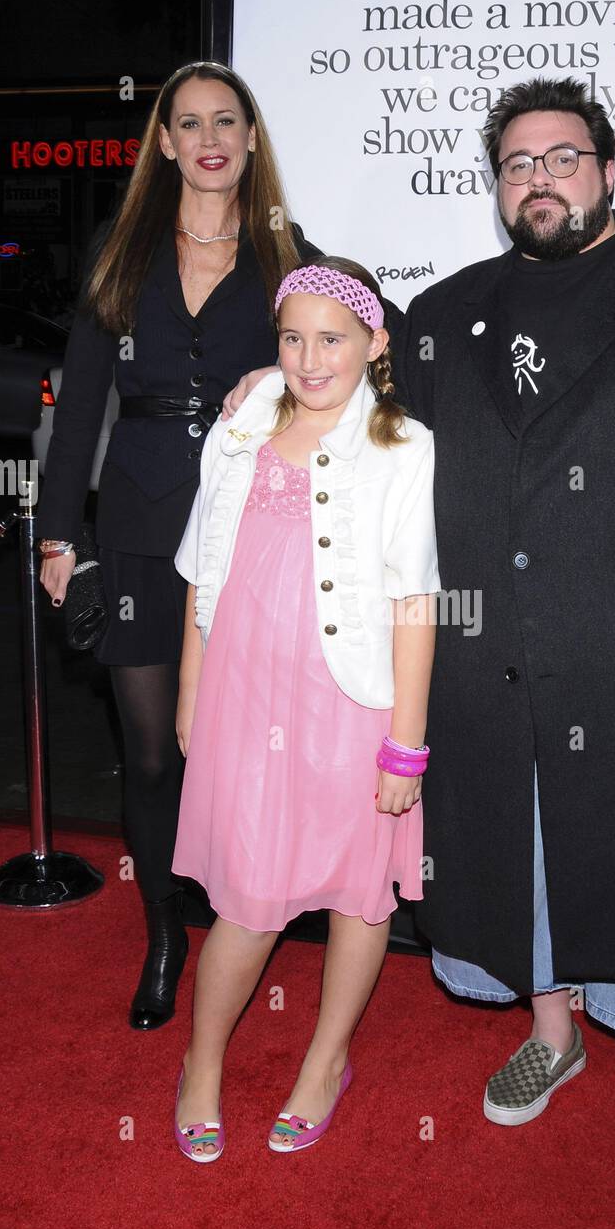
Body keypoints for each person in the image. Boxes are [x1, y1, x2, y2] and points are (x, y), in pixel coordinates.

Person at [221, 78, 615, 1205]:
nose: (538, 177)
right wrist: (267, 397)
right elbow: (350, 400)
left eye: (562, 156)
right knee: (531, 857)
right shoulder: (449, 315)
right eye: (515, 163)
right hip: (498, 664)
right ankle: (556, 1029)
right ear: (496, 187)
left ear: (604, 168)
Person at [36, 60, 321, 1030]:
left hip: (254, 528)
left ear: (249, 139)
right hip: (143, 526)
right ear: (163, 142)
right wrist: (56, 535)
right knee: (154, 754)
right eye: (188, 123)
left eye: (226, 122)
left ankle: (244, 917)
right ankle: (164, 933)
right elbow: (79, 407)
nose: (208, 138)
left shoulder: (284, 252)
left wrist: (279, 382)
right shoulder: (125, 250)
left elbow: (369, 337)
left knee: (242, 752)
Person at [170, 257, 440, 1161]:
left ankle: (325, 1061)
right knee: (247, 896)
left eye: (333, 337)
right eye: (293, 337)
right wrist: (189, 688)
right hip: (245, 700)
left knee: (360, 895)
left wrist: (405, 746)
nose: (311, 357)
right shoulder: (241, 427)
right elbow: (202, 568)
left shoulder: (405, 446)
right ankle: (201, 1065)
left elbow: (415, 601)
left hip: (351, 701)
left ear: (375, 343)